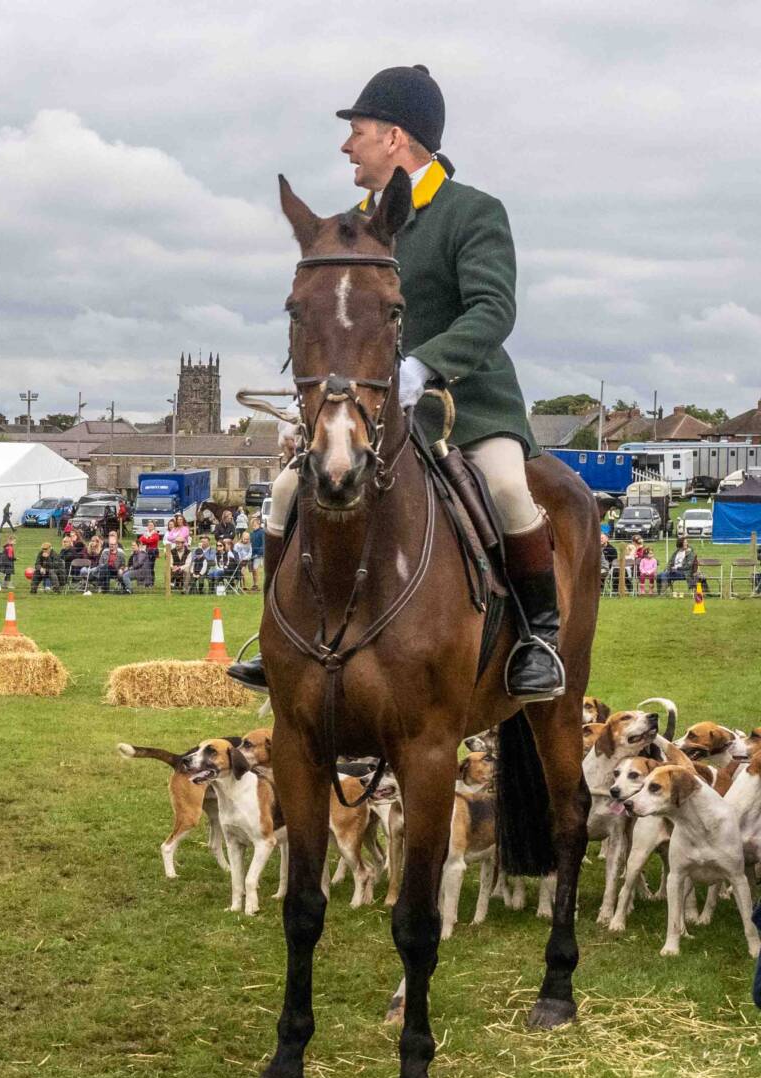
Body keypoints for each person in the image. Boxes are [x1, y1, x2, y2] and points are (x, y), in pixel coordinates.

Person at [235, 65, 562, 699]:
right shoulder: (344, 228)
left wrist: (423, 365)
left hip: (467, 405)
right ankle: (277, 637)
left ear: (395, 137)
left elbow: (493, 309)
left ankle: (537, 640)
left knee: (506, 489)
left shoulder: (472, 212)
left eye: (356, 131)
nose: (346, 146)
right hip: (370, 414)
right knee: (284, 492)